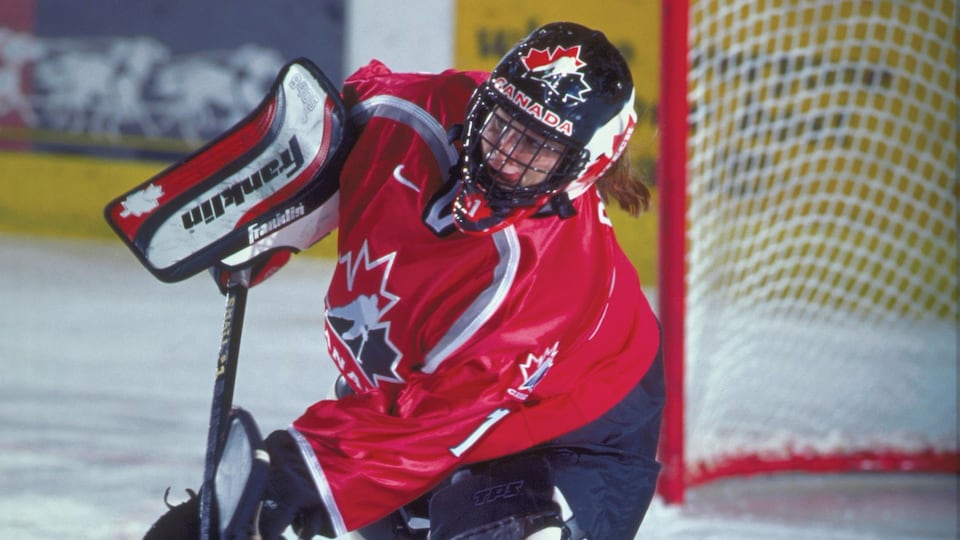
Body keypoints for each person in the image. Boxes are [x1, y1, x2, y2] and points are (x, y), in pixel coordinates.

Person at [146, 21, 664, 540]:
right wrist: (270, 213)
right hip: (416, 385)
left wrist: (286, 477)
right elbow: (330, 128)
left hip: (573, 425)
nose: (503, 152)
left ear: (581, 169)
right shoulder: (415, 113)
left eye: (536, 147)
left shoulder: (543, 279)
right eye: (502, 121)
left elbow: (435, 423)